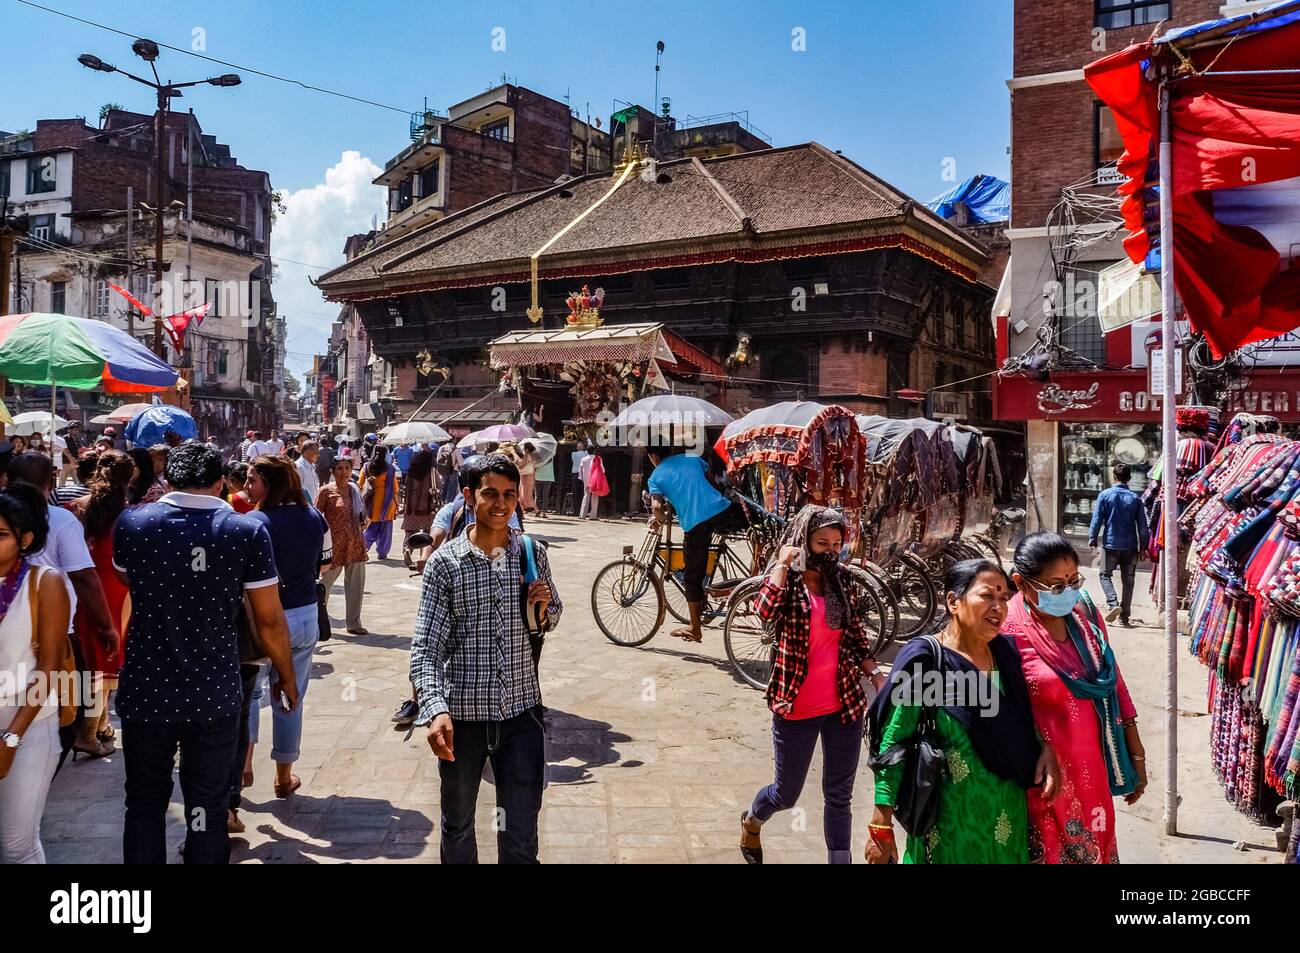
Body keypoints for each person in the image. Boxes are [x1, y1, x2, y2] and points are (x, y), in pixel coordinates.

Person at [113, 443, 298, 864]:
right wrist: (285, 674)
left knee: (144, 804)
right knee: (205, 809)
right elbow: (269, 619)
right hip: (212, 693)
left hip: (146, 689)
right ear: (219, 483)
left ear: (169, 480)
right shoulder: (244, 531)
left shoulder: (134, 524)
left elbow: (130, 584)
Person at [411, 453, 561, 864]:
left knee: (521, 830)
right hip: (462, 719)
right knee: (457, 828)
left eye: (510, 495)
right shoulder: (445, 564)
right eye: (490, 493)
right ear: (467, 496)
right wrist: (435, 708)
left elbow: (551, 617)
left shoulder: (531, 553)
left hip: (522, 714)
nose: (501, 504)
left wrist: (544, 608)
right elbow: (425, 647)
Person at [866, 560, 1060, 864]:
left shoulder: (1006, 655)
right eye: (987, 596)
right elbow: (894, 745)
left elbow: (1019, 722)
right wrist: (880, 825)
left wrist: (1043, 747)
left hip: (1007, 825)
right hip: (948, 829)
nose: (999, 607)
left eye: (1004, 599)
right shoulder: (928, 663)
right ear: (953, 602)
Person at [739, 506, 887, 865]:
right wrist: (780, 564)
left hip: (845, 705)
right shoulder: (787, 580)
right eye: (822, 543)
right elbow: (763, 613)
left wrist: (875, 673)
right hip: (796, 705)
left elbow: (853, 634)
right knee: (785, 794)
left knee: (839, 796)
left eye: (837, 543)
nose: (831, 551)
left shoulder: (843, 580)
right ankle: (752, 820)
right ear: (803, 540)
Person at [1003, 532, 1147, 864]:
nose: (1067, 592)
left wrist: (1135, 753)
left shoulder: (1084, 615)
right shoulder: (1007, 630)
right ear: (1022, 583)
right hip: (1042, 779)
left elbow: (1114, 682)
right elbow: (997, 711)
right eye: (1055, 586)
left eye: (1072, 580)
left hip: (1090, 771)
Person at [8, 453, 118, 759]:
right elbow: (83, 576)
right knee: (70, 714)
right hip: (56, 640)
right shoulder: (60, 519)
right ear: (52, 479)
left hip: (38, 635)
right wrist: (105, 626)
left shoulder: (59, 519)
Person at [241, 456, 329, 802]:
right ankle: (283, 776)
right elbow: (327, 560)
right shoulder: (314, 517)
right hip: (304, 615)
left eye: (252, 480)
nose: (247, 487)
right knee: (291, 697)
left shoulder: (252, 523)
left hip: (260, 619)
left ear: (270, 484)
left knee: (250, 695)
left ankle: (242, 768)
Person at [0, 482, 71, 863]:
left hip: (26, 726)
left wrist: (11, 740)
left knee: (16, 846)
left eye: (0, 535)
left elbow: (48, 669)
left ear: (25, 538)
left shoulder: (45, 583)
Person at [646, 447, 748, 643]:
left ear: (654, 456)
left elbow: (657, 508)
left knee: (692, 578)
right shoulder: (692, 458)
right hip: (722, 511)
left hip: (695, 524)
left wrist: (658, 520)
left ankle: (695, 628)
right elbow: (711, 480)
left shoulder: (655, 476)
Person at [1088, 463, 1150, 626]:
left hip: (1110, 544)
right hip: (1130, 546)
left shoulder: (1105, 495)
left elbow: (1097, 519)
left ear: (1114, 477)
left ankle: (1113, 604)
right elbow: (1143, 525)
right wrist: (1144, 545)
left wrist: (1092, 537)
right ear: (1129, 479)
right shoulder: (1136, 498)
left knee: (1104, 575)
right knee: (1128, 581)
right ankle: (1124, 617)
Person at [315, 457, 368, 635]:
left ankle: (354, 622)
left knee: (355, 585)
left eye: (347, 468)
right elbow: (316, 519)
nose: (344, 472)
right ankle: (317, 621)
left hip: (355, 543)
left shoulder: (355, 490)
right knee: (324, 585)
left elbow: (362, 514)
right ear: (332, 471)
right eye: (339, 468)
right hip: (333, 545)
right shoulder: (325, 491)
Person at [400, 447, 438, 569]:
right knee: (427, 532)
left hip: (411, 507)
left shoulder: (411, 472)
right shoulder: (432, 472)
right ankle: (423, 557)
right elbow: (439, 486)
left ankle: (407, 549)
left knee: (410, 531)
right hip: (428, 507)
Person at [360, 444, 399, 560]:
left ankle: (363, 548)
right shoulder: (390, 468)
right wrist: (397, 504)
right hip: (387, 505)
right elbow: (395, 489)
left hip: (371, 505)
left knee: (370, 528)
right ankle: (382, 553)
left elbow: (360, 484)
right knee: (386, 531)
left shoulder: (366, 467)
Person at [516, 440, 538, 513]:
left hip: (525, 476)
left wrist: (517, 462)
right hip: (531, 475)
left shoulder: (526, 456)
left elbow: (522, 466)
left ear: (526, 449)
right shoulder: (533, 456)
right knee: (528, 493)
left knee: (523, 493)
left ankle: (535, 509)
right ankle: (524, 511)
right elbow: (533, 468)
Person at [534, 448, 555, 519]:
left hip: (538, 476)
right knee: (545, 496)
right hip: (548, 477)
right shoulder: (551, 456)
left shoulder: (537, 456)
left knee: (537, 495)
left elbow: (535, 466)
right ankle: (544, 513)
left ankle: (537, 511)